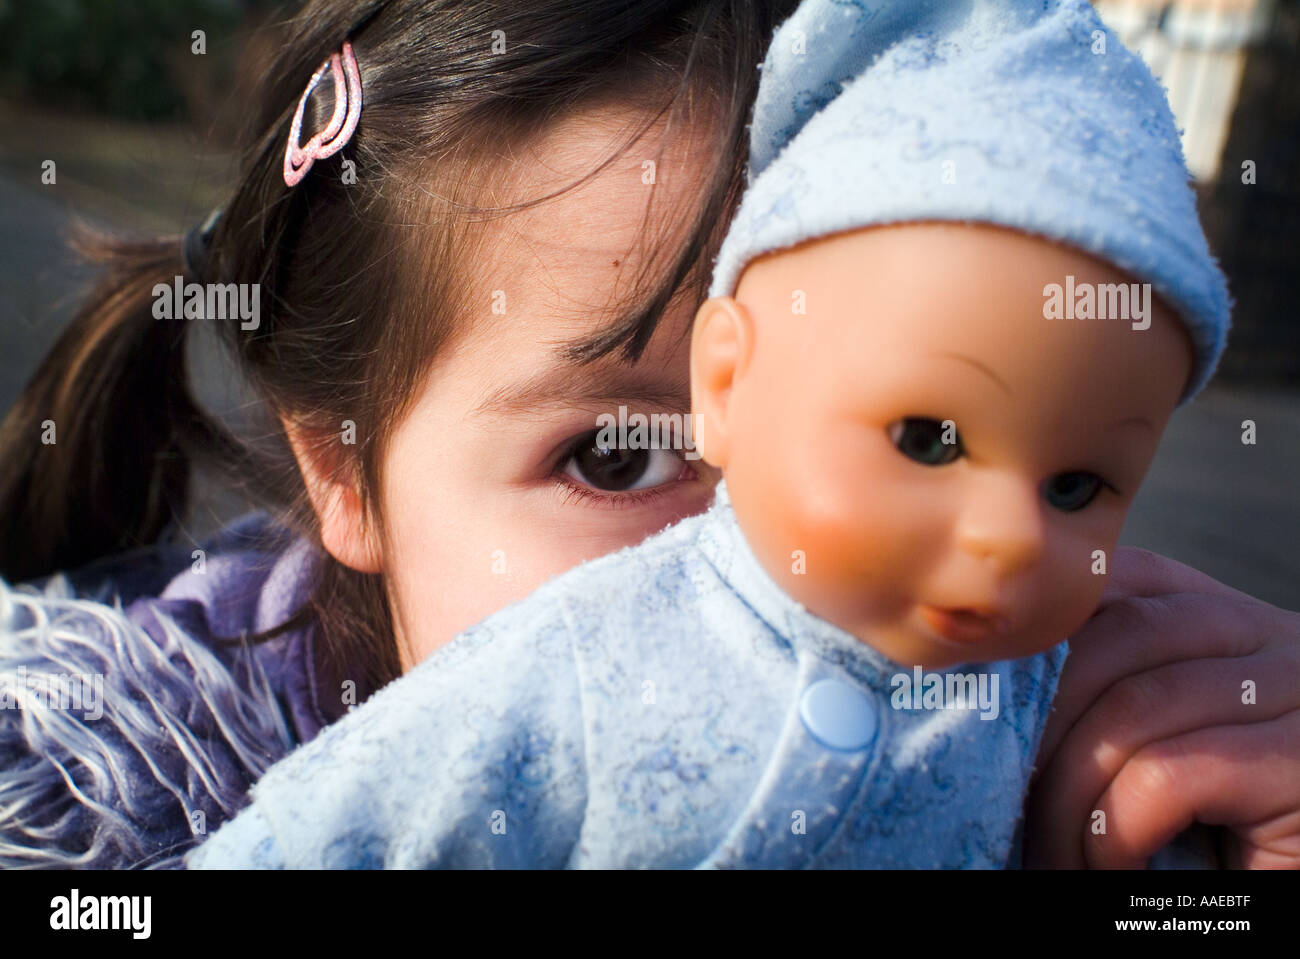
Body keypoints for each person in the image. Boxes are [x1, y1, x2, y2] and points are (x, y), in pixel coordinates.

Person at [0, 0, 1296, 869]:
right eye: (617, 456)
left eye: (927, 436)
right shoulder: (100, 788)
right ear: (345, 468)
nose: (789, 556)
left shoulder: (1053, 727)